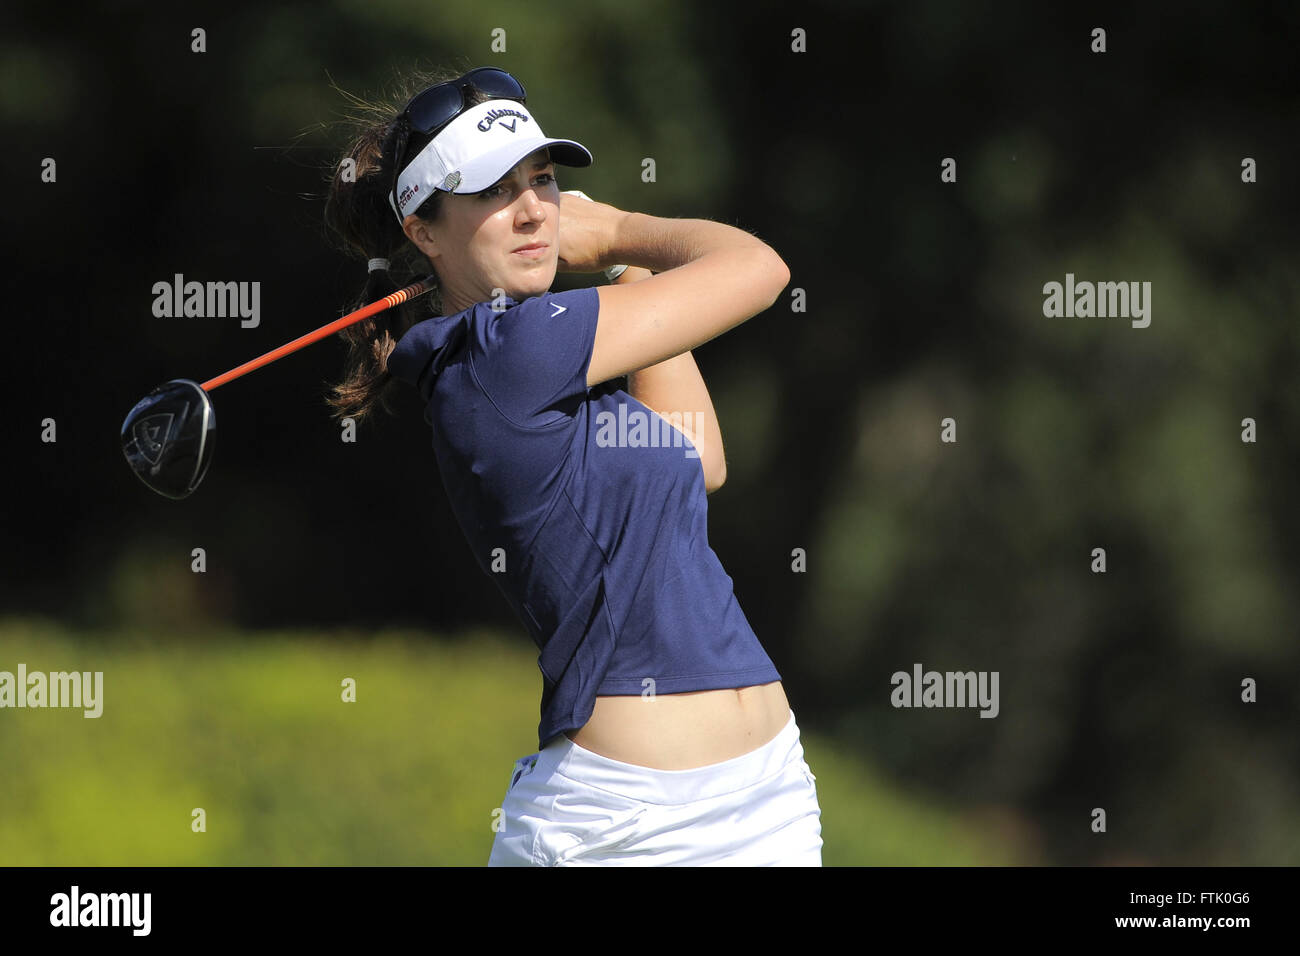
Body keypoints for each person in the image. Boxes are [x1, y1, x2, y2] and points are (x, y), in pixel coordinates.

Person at [322, 65, 822, 865]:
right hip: (624, 829)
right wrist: (618, 230)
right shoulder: (505, 350)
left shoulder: (534, 356)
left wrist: (625, 270)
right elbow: (759, 268)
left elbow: (698, 457)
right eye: (493, 192)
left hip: (767, 797)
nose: (532, 212)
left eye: (543, 180)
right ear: (422, 231)